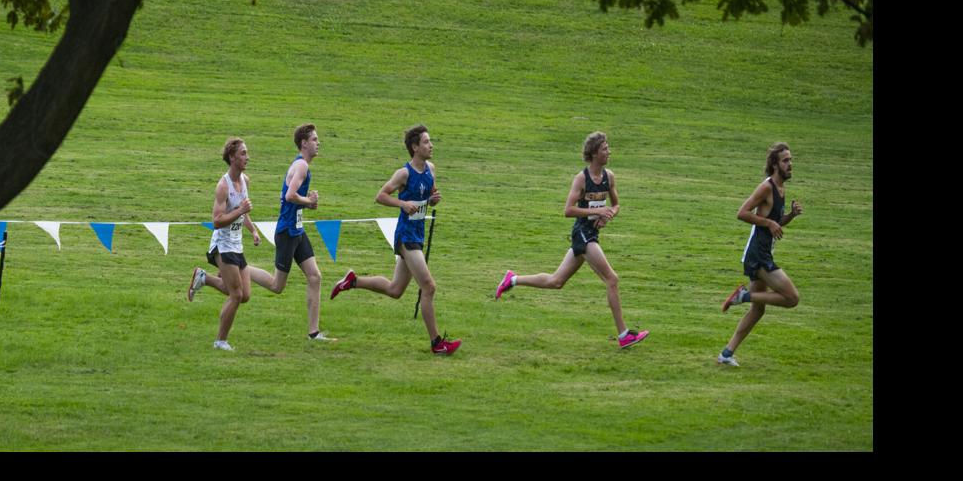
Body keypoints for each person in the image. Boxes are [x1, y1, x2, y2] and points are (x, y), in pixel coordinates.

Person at [492, 131, 648, 349]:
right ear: (594, 154)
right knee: (612, 279)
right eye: (605, 149)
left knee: (556, 282)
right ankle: (624, 335)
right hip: (582, 235)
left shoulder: (609, 176)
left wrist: (608, 215)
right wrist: (598, 211)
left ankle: (513, 279)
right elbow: (568, 210)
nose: (609, 152)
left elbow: (616, 205)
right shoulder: (581, 179)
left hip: (593, 234)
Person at [186, 124, 336, 341]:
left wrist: (253, 229)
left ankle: (314, 332)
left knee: (315, 276)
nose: (318, 142)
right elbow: (289, 196)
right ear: (304, 143)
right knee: (274, 286)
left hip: (296, 229)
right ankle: (222, 331)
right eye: (314, 139)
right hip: (285, 231)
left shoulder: (246, 180)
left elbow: (264, 201)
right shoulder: (301, 166)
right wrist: (309, 202)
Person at [329, 124, 461, 355]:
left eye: (430, 141)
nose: (431, 146)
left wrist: (434, 200)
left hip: (417, 234)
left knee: (395, 290)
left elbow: (429, 194)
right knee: (429, 287)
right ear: (414, 147)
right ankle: (437, 343)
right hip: (405, 236)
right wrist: (402, 204)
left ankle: (353, 281)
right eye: (426, 142)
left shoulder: (430, 168)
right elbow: (380, 196)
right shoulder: (404, 174)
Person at [718, 143, 803, 366]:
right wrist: (768, 223)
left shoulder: (781, 189)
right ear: (775, 165)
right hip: (758, 255)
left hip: (763, 253)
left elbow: (775, 222)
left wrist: (790, 216)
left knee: (758, 310)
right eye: (786, 161)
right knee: (792, 298)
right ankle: (742, 296)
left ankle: (726, 354)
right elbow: (742, 213)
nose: (790, 164)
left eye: (791, 160)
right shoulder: (766, 187)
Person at [198, 137, 258, 351]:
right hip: (222, 246)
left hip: (237, 244)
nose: (247, 157)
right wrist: (240, 211)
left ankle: (203, 278)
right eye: (243, 153)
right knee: (236, 294)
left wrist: (252, 230)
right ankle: (220, 340)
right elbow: (216, 221)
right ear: (232, 158)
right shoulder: (223, 186)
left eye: (246, 152)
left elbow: (243, 212)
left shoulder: (245, 181)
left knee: (246, 295)